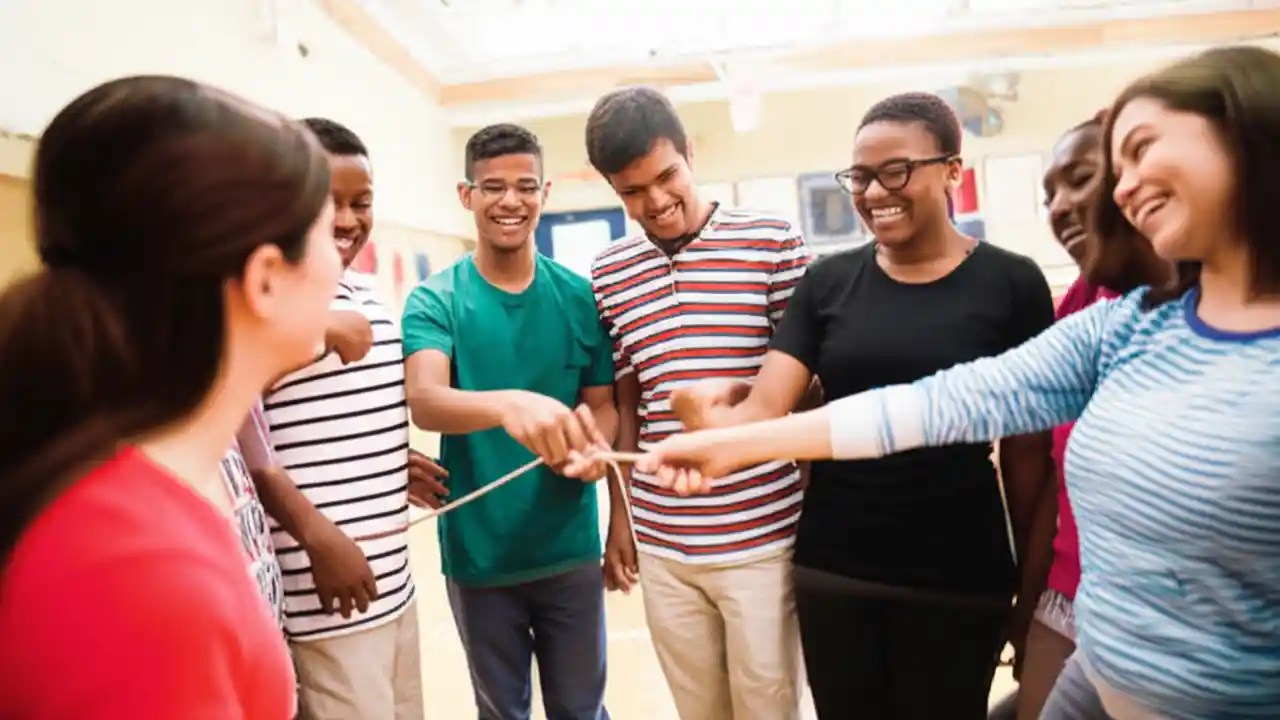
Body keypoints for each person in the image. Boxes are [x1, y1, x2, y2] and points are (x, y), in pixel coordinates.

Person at [639, 45, 1280, 720]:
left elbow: (1018, 460)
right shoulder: (1126, 327)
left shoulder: (1014, 284)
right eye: (1118, 167)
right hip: (1100, 675)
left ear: (1249, 135)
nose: (1120, 188)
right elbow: (934, 405)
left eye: (1142, 150)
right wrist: (727, 445)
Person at [673, 91, 1055, 720]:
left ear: (953, 170)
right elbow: (766, 410)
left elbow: (1027, 456)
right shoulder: (826, 284)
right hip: (837, 570)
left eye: (895, 171)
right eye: (860, 177)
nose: (875, 192)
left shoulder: (1010, 285)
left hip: (957, 578)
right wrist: (703, 420)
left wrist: (1030, 589)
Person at [0, 75, 339, 718]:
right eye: (327, 233)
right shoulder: (131, 574)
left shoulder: (137, 490)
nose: (344, 265)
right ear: (265, 277)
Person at [586, 86, 811, 720]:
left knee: (768, 705)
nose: (655, 202)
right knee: (699, 709)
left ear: (689, 152)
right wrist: (621, 519)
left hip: (765, 535)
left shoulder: (771, 240)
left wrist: (738, 399)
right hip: (663, 543)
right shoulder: (609, 272)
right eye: (632, 191)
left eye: (667, 176)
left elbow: (809, 386)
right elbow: (628, 403)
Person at [401, 123, 617, 720]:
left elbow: (604, 405)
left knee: (582, 710)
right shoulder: (436, 300)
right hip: (480, 557)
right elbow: (426, 398)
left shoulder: (579, 297)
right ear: (466, 195)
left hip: (568, 550)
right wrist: (508, 404)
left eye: (525, 187)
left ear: (545, 193)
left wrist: (596, 443)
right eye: (493, 187)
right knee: (501, 713)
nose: (511, 201)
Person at [988, 113, 1173, 720]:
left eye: (1080, 179)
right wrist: (1027, 603)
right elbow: (1054, 479)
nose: (1061, 207)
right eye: (1049, 194)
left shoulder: (1228, 318)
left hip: (1178, 627)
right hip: (1069, 600)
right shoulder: (1085, 304)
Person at [259, 117, 441, 720]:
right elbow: (232, 425)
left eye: (360, 202)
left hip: (395, 584)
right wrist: (316, 534)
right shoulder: (264, 299)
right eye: (326, 202)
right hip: (325, 595)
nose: (346, 219)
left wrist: (392, 461)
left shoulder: (368, 297)